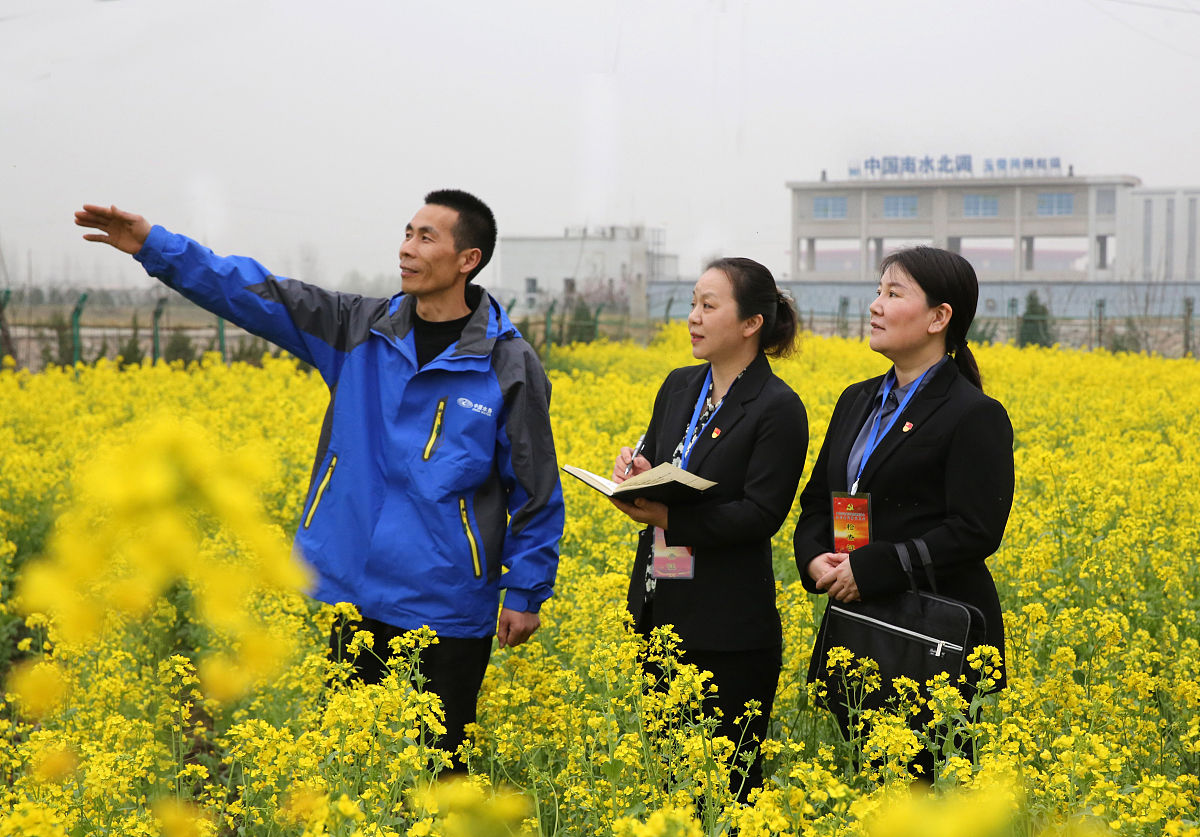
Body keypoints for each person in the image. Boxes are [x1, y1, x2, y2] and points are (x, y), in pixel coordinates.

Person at [74, 192, 565, 766]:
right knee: (352, 773)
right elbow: (257, 293)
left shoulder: (507, 362)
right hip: (354, 593)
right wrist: (156, 247)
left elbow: (534, 485)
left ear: (467, 259)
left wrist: (527, 590)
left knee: (442, 772)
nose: (406, 249)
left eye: (426, 238)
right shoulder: (358, 328)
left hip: (448, 601)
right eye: (406, 233)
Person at [793, 246, 1014, 777]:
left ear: (940, 318)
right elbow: (820, 500)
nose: (876, 305)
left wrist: (873, 567)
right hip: (860, 624)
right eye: (879, 291)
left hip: (931, 635)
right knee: (875, 793)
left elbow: (975, 530)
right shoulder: (857, 399)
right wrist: (815, 559)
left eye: (894, 294)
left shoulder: (974, 414)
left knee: (928, 799)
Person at [610, 257, 808, 801]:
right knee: (673, 789)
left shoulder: (777, 407)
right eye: (693, 303)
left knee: (729, 792)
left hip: (727, 629)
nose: (693, 317)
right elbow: (657, 458)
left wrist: (672, 517)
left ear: (751, 324)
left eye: (708, 305)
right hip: (659, 611)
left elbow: (761, 515)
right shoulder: (680, 386)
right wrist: (633, 473)